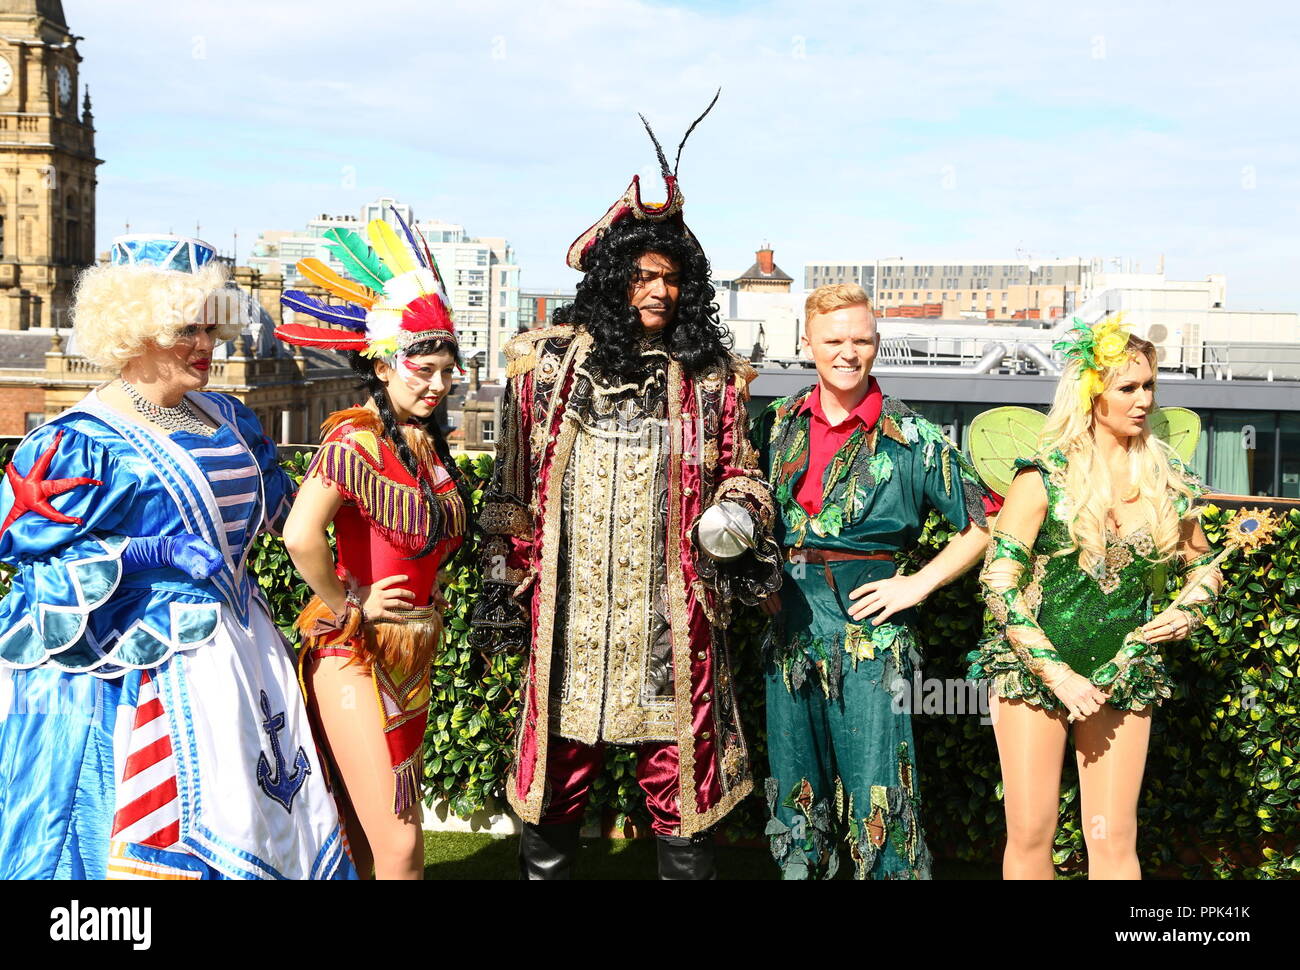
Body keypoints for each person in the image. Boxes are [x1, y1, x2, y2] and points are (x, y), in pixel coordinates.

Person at [469, 96, 781, 879]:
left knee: (680, 795)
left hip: (666, 623)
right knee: (555, 791)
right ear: (615, 281)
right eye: (642, 276)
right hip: (567, 621)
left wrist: (736, 514)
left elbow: (744, 470)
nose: (658, 292)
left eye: (671, 280)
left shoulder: (712, 379)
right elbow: (508, 492)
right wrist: (504, 598)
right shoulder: (543, 368)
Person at [0, 235, 353, 880]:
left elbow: (286, 513)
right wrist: (146, 552)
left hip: (245, 654)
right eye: (190, 329)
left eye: (213, 327)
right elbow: (37, 572)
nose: (209, 345)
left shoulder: (229, 418)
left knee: (267, 816)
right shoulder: (73, 443)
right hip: (137, 672)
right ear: (137, 331)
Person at [751, 283, 992, 879]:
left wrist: (918, 584)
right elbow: (734, 515)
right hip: (788, 638)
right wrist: (755, 584)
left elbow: (988, 521)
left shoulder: (914, 437)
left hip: (873, 639)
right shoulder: (774, 426)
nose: (848, 352)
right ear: (808, 343)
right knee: (795, 798)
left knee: (879, 797)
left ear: (877, 342)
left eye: (861, 339)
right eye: (834, 339)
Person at [967, 317, 1220, 879]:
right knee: (1031, 834)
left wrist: (1188, 611)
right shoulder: (1042, 476)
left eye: (1150, 386)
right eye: (1128, 387)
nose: (1143, 400)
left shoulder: (1167, 478)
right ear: (1091, 394)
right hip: (1033, 673)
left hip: (1122, 670)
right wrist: (1057, 674)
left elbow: (1205, 567)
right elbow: (999, 583)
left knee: (1111, 837)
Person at [276, 209, 471, 879]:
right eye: (424, 368)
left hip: (411, 656)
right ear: (386, 363)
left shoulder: (428, 447)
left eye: (448, 370)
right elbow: (300, 535)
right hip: (353, 654)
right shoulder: (353, 438)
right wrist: (348, 600)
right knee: (400, 847)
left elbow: (430, 548)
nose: (438, 384)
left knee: (370, 837)